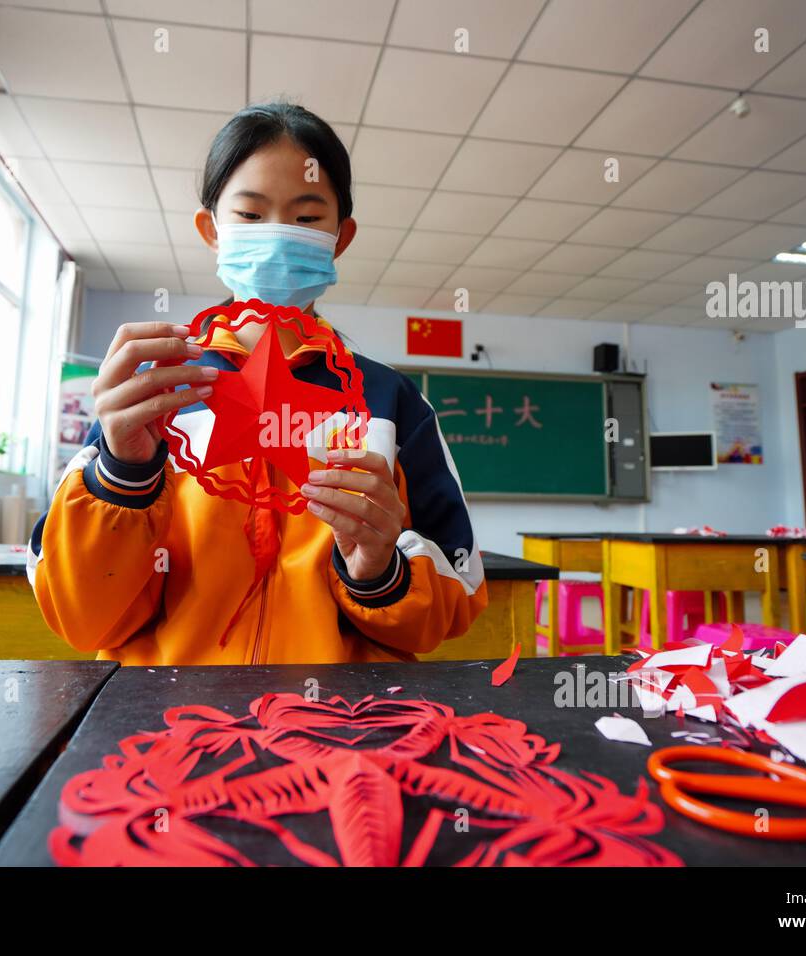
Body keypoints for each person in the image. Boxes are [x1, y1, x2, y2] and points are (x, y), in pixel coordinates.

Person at [27, 101, 487, 664]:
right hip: (165, 724)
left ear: (340, 238)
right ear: (211, 230)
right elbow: (82, 619)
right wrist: (121, 474)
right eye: (249, 215)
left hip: (341, 727)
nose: (277, 235)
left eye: (306, 217)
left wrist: (380, 569)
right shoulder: (152, 396)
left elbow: (454, 599)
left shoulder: (390, 405)